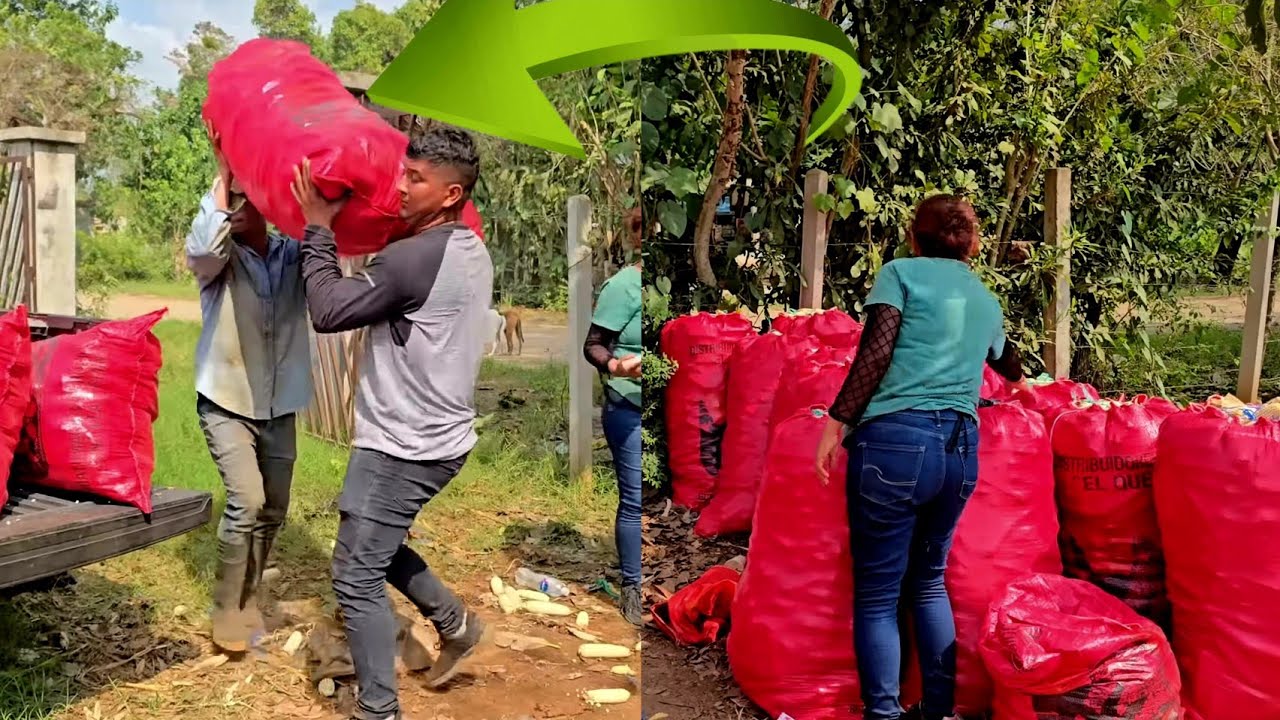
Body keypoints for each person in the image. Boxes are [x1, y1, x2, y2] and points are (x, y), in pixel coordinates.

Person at [290, 124, 492, 720]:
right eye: (403, 172)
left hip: (405, 445)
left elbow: (327, 310)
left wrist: (318, 228)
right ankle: (456, 625)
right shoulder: (467, 246)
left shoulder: (411, 259)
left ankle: (377, 710)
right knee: (371, 543)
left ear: (451, 195)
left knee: (354, 576)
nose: (399, 186)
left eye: (417, 179)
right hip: (432, 436)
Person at [815, 194, 1028, 720]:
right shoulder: (983, 297)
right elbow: (1011, 364)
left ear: (915, 236)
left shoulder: (899, 273)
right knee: (929, 581)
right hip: (960, 451)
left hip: (894, 445)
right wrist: (1017, 377)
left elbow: (878, 349)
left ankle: (884, 714)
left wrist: (836, 420)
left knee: (879, 593)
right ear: (971, 245)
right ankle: (938, 711)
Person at [185, 125, 312, 654]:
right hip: (226, 400)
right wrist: (223, 173)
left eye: (244, 200)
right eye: (229, 201)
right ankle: (225, 609)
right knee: (247, 499)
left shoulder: (296, 254)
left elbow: (341, 250)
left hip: (279, 404)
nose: (235, 208)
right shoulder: (220, 260)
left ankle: (250, 596)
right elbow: (201, 246)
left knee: (274, 508)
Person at [582, 206, 644, 625]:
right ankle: (633, 587)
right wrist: (617, 366)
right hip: (628, 405)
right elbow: (594, 344)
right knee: (635, 499)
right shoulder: (623, 287)